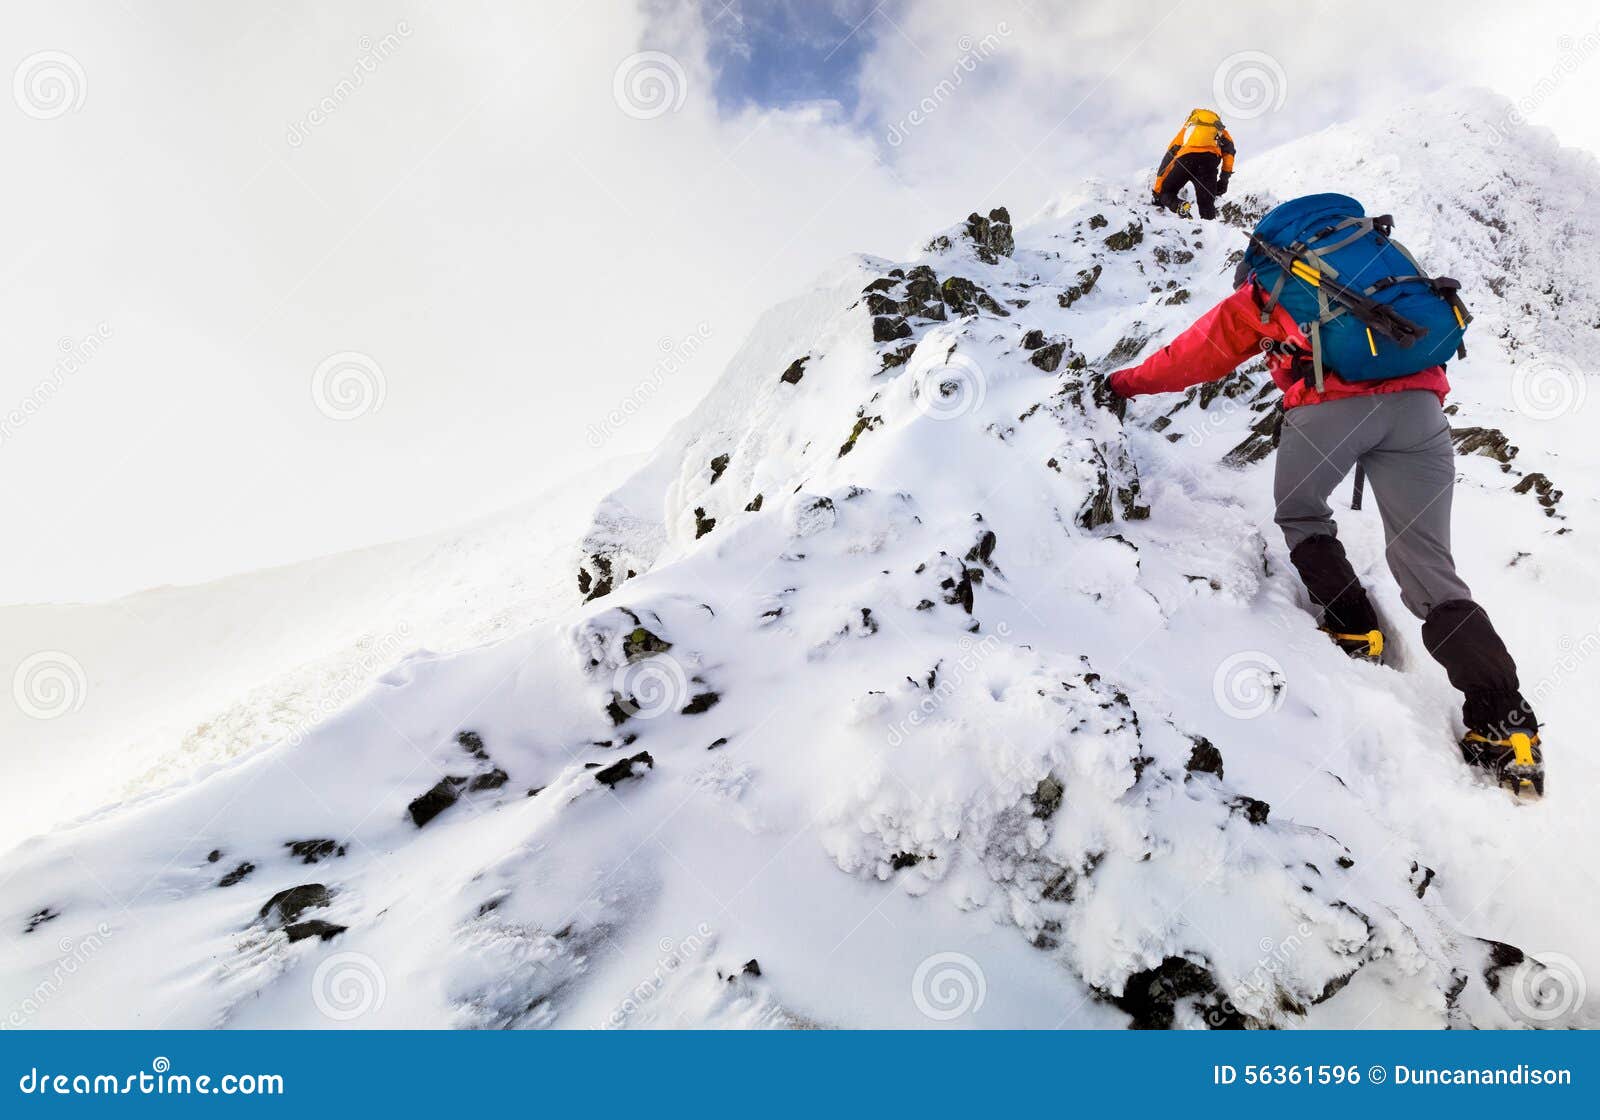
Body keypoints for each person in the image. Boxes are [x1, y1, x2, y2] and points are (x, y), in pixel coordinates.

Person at [1106, 196, 1544, 796]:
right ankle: (1505, 724)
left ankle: (1354, 625)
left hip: (1330, 410)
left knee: (1302, 512)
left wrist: (1125, 383)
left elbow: (1194, 355)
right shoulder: (1385, 269)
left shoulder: (1273, 287)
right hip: (1421, 413)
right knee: (1433, 572)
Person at [1152, 108, 1235, 220]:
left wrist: (1158, 190)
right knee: (1207, 206)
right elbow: (1229, 153)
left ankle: (1179, 206)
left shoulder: (1187, 129)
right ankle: (1209, 231)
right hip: (1209, 163)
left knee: (1166, 192)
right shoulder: (1220, 131)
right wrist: (1224, 179)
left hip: (1185, 161)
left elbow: (1169, 157)